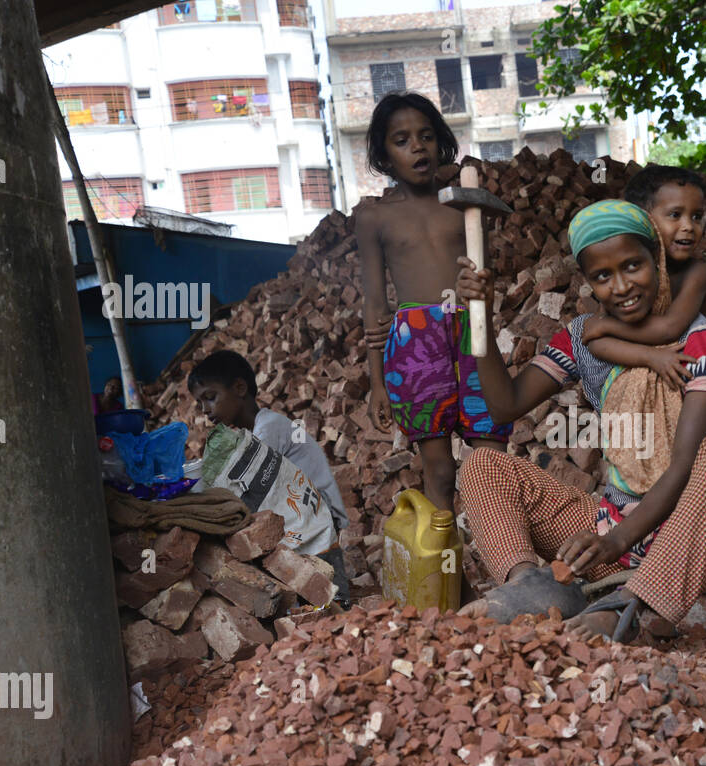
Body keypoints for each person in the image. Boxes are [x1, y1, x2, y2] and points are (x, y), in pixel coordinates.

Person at [455, 199, 706, 642]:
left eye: (633, 266)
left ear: (658, 261)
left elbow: (685, 467)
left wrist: (616, 541)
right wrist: (479, 314)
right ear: (589, 284)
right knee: (484, 464)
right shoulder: (583, 337)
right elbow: (504, 406)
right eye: (602, 276)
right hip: (624, 538)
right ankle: (535, 587)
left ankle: (628, 609)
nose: (621, 286)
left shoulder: (702, 340)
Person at [356, 91, 511, 516]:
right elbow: (374, 305)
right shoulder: (374, 217)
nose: (416, 146)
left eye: (425, 136)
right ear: (383, 155)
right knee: (440, 474)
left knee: (492, 464)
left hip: (471, 332)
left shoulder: (464, 201)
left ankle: (511, 571)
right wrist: (376, 384)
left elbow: (483, 273)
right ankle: (451, 582)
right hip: (414, 347)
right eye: (401, 140)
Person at [578, 164, 706, 451]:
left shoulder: (695, 274)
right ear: (643, 221)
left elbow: (669, 328)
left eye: (697, 216)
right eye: (675, 215)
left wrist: (606, 326)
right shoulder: (631, 280)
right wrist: (648, 356)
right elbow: (596, 343)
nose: (689, 226)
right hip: (676, 363)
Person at [187, 349, 353, 603]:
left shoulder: (269, 428)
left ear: (240, 388)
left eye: (210, 398)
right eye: (200, 403)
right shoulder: (252, 432)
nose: (204, 410)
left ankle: (329, 599)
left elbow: (252, 483)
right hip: (303, 510)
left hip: (319, 513)